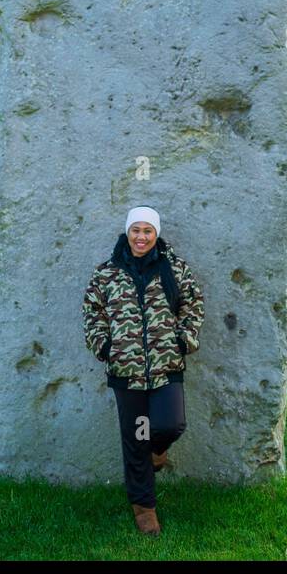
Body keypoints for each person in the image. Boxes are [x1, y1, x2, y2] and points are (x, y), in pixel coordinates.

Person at [82, 205, 205, 536]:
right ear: (127, 232)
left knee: (170, 424)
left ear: (156, 234)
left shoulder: (174, 269)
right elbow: (93, 311)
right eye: (136, 230)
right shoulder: (107, 273)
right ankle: (144, 508)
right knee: (136, 439)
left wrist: (184, 339)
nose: (141, 237)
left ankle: (159, 453)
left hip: (167, 366)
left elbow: (193, 304)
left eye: (147, 231)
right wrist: (105, 347)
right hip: (127, 372)